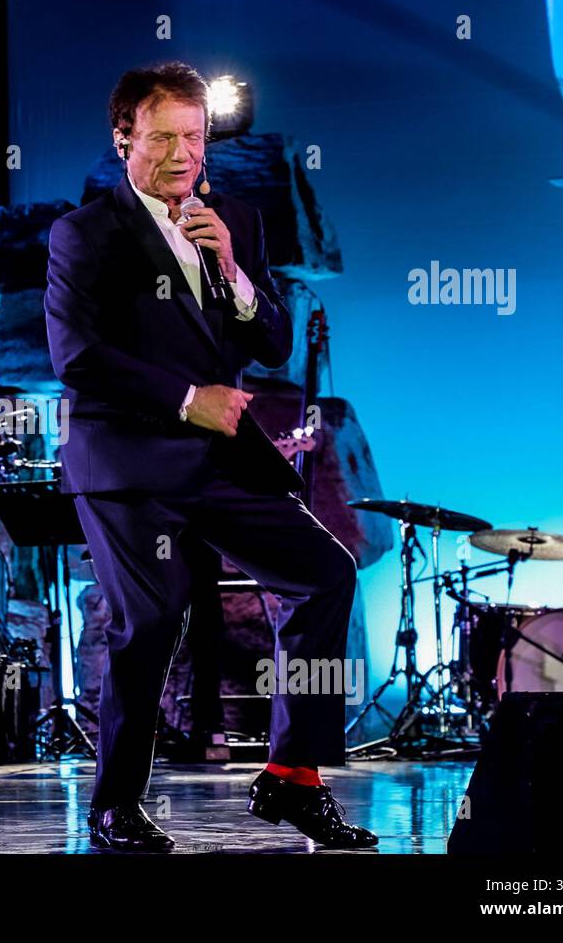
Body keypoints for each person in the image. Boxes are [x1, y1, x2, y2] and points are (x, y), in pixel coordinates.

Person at [43, 61, 376, 851]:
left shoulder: (239, 221)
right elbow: (77, 354)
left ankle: (293, 780)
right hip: (128, 463)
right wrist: (187, 398)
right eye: (163, 137)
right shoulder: (84, 233)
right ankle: (116, 805)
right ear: (124, 137)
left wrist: (232, 271)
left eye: (194, 138)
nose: (182, 155)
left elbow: (273, 341)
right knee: (150, 617)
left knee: (325, 574)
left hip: (220, 459)